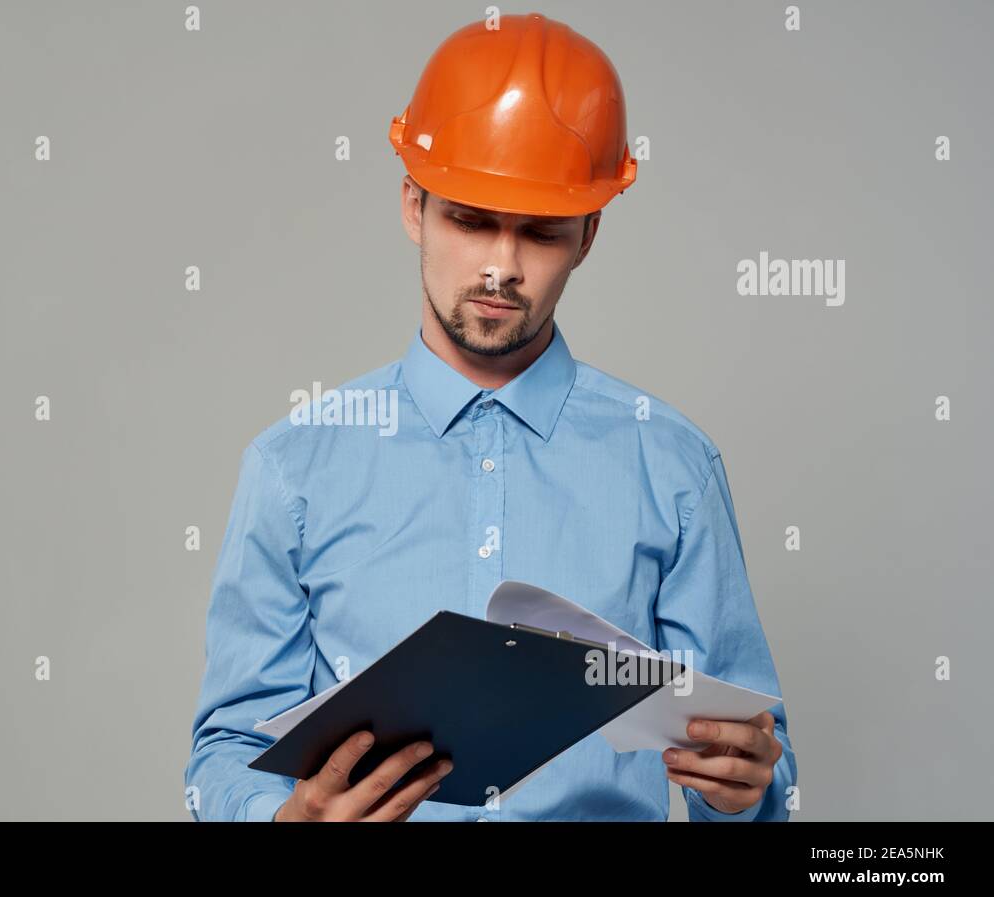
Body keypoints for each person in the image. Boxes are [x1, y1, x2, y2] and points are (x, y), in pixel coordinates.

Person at [185, 12, 795, 822]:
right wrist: (279, 819)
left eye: (539, 233)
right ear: (415, 207)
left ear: (588, 235)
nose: (501, 267)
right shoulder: (293, 467)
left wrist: (750, 791)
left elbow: (756, 764)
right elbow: (226, 750)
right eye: (470, 219)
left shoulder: (673, 466)